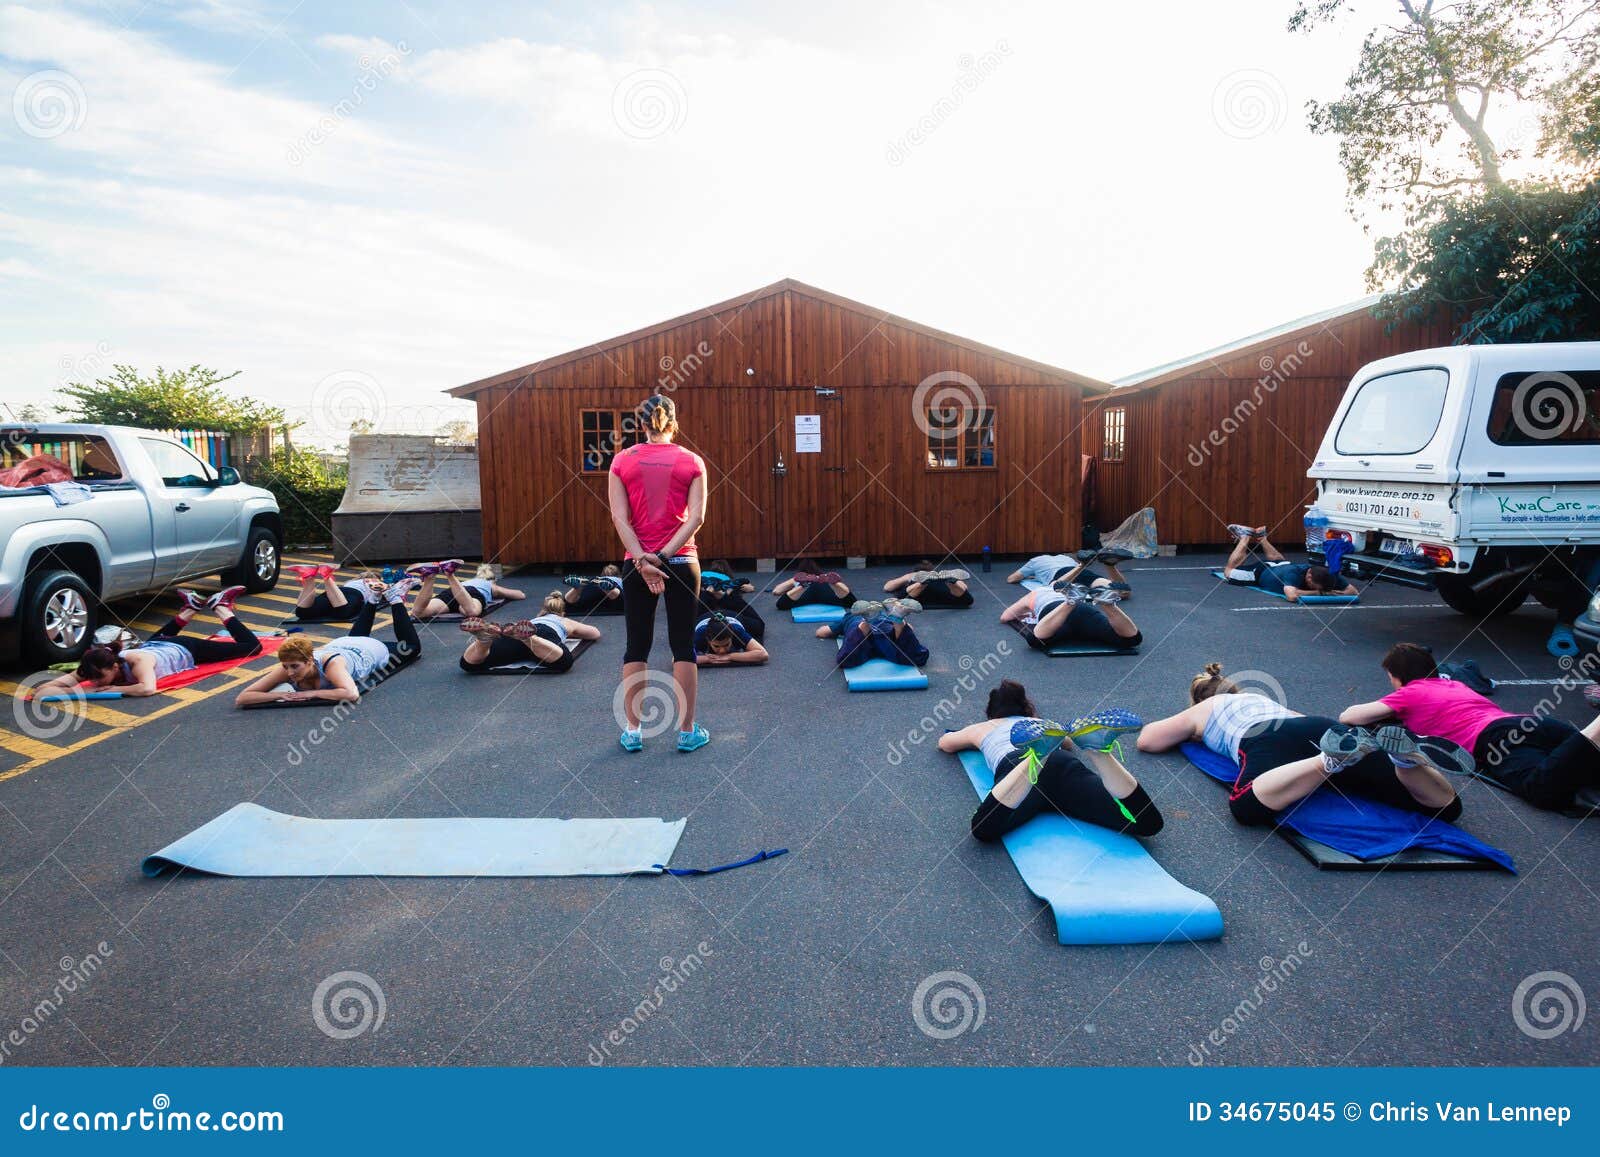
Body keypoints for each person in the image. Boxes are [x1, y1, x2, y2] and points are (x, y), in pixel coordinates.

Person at [1136, 662, 1468, 827]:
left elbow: (1148, 740)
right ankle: (1405, 761)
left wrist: (1192, 730)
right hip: (1318, 727)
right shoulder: (1257, 699)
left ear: (1198, 698)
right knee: (1446, 809)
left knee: (1245, 807)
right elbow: (1304, 720)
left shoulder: (1204, 710)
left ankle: (1328, 763)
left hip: (1266, 738)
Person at [1339, 642, 1600, 813]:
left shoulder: (1410, 692)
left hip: (1496, 738)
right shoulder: (1456, 685)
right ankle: (1591, 735)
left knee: (1540, 789)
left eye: (1390, 677)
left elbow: (1349, 716)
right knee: (1586, 767)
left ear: (1397, 676)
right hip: (1532, 723)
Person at [608, 393, 710, 753]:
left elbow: (620, 518)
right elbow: (696, 518)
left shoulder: (622, 460)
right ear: (673, 421)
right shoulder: (692, 460)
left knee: (636, 646)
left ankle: (633, 731)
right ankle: (687, 732)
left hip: (637, 564)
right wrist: (663, 558)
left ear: (643, 423)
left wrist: (642, 560)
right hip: (681, 561)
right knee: (684, 647)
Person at [939, 680, 1161, 841]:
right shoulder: (1041, 724)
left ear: (991, 713)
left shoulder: (982, 728)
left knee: (983, 829)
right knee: (1148, 823)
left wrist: (968, 737)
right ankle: (1099, 752)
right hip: (1062, 764)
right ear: (1028, 710)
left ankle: (1036, 756)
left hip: (1018, 765)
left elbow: (946, 743)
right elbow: (1068, 744)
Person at [37, 586, 257, 698]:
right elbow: (42, 691)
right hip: (155, 645)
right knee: (152, 643)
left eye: (99, 678)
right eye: (92, 679)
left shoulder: (137, 661)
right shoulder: (93, 667)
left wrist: (112, 688)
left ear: (115, 666)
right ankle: (191, 607)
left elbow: (148, 689)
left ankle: (220, 606)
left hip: (186, 648)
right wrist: (81, 692)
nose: (94, 683)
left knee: (251, 647)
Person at [234, 578, 421, 706]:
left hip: (367, 651)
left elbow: (351, 693)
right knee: (354, 637)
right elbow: (242, 697)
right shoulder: (289, 667)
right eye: (286, 667)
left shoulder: (332, 666)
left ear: (310, 661)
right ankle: (373, 598)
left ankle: (395, 598)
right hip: (344, 642)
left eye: (294, 667)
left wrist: (311, 694)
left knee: (411, 648)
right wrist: (278, 695)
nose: (289, 672)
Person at [459, 593, 602, 674]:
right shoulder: (564, 621)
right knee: (564, 663)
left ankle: (484, 641)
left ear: (542, 611)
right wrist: (573, 632)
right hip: (546, 634)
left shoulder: (532, 621)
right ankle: (529, 639)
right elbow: (594, 633)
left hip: (512, 634)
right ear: (562, 613)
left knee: (468, 665)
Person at [1219, 524, 1356, 600]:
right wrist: (1320, 593)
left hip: (1283, 564)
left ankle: (1262, 538)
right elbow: (1291, 595)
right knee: (1228, 572)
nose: (1316, 589)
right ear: (1308, 576)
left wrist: (1330, 591)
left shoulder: (1329, 575)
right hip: (1261, 572)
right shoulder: (1293, 575)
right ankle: (1245, 536)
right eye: (1315, 586)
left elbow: (1353, 591)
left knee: (1281, 562)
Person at [999, 583, 1141, 651]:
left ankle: (1069, 603)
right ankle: (1109, 606)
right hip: (1084, 611)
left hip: (1055, 611)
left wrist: (1028, 612)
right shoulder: (1074, 587)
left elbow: (1006, 617)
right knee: (1132, 640)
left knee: (1035, 640)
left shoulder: (1036, 592)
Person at [816, 598, 929, 668]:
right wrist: (902, 626)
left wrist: (836, 628)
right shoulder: (886, 614)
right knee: (917, 657)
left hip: (861, 631)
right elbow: (911, 628)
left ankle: (867, 621)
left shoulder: (850, 616)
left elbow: (822, 633)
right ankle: (898, 619)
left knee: (846, 660)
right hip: (887, 629)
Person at [407, 560, 525, 619]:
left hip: (452, 593)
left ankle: (429, 577)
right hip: (472, 593)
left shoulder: (464, 582)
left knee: (418, 613)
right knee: (472, 612)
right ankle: (449, 574)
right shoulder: (488, 584)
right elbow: (519, 595)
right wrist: (498, 592)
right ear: (492, 579)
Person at [699, 559, 765, 639]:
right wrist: (725, 595)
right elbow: (759, 626)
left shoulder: (703, 594)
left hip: (708, 605)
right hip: (727, 605)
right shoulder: (732, 596)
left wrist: (708, 593)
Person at [283, 564, 369, 622]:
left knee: (302, 613)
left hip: (336, 592)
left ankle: (308, 576)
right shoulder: (374, 582)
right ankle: (326, 575)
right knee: (343, 613)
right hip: (353, 593)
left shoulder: (351, 582)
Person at [1049, 547, 1136, 602]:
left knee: (1054, 588)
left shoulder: (1037, 560)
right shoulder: (1066, 557)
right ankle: (1109, 564)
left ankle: (1082, 565)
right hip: (1081, 571)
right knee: (1124, 592)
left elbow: (1035, 579)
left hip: (1062, 573)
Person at [884, 560, 974, 608]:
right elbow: (965, 587)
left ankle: (922, 584)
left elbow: (887, 587)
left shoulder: (911, 576)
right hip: (944, 590)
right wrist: (955, 582)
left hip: (919, 594)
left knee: (901, 597)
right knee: (967, 600)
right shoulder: (940, 576)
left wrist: (909, 577)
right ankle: (951, 583)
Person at [693, 612, 768, 667]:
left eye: (726, 644)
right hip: (703, 615)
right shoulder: (700, 635)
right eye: (716, 646)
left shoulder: (737, 631)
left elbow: (763, 654)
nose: (722, 651)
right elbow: (682, 658)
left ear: (732, 637)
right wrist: (707, 659)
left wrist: (730, 656)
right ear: (708, 640)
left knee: (759, 626)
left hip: (732, 614)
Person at [773, 558, 853, 609]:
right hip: (825, 588)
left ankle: (803, 586)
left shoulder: (796, 579)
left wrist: (794, 581)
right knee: (851, 603)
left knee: (781, 604)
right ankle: (834, 584)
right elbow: (846, 590)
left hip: (805, 594)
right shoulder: (824, 577)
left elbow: (776, 591)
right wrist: (835, 584)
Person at [1006, 552, 1079, 586]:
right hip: (1076, 572)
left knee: (1056, 586)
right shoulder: (1067, 558)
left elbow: (1011, 579)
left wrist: (1027, 576)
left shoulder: (1035, 561)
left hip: (1060, 575)